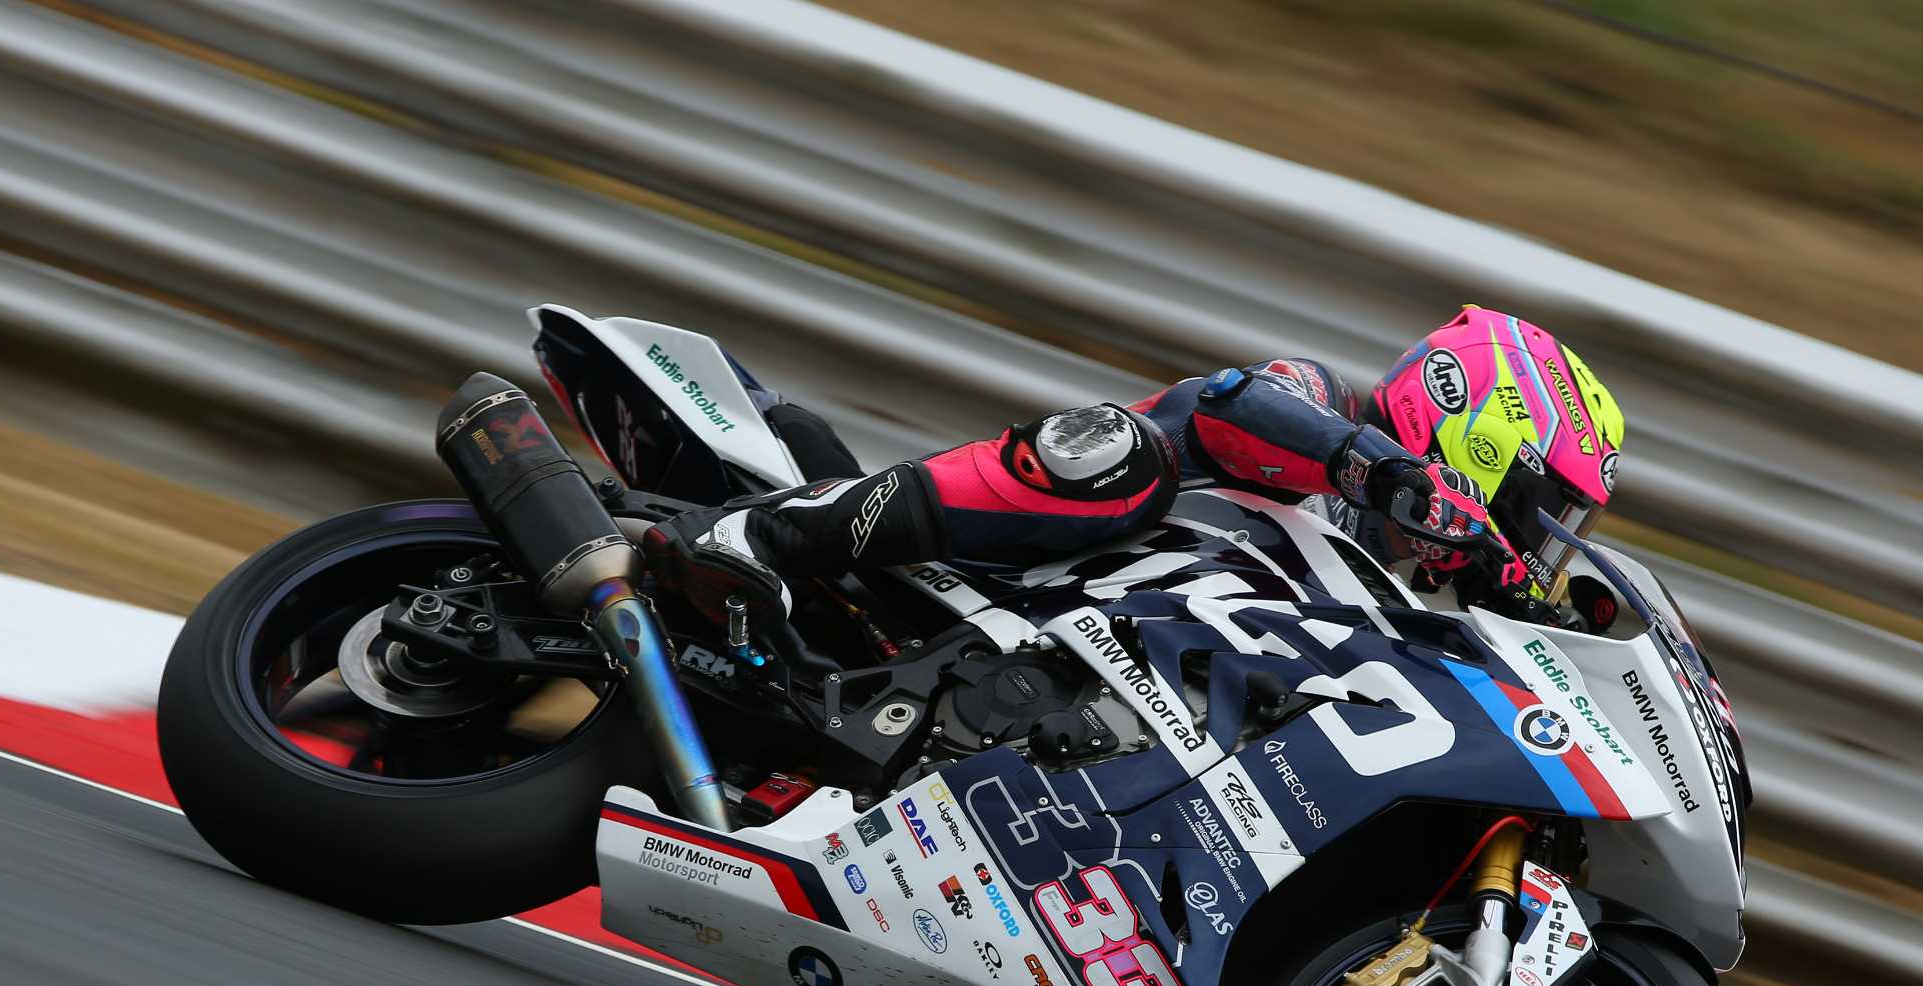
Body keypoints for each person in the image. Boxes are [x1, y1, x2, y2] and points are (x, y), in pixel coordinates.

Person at [645, 307, 1626, 629]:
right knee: (1127, 456)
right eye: (1538, 507)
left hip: (1081, 676)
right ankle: (766, 530)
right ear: (1483, 432)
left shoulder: (1388, 588)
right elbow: (1227, 405)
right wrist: (1377, 472)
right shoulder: (1321, 401)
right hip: (1000, 583)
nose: (1535, 538)